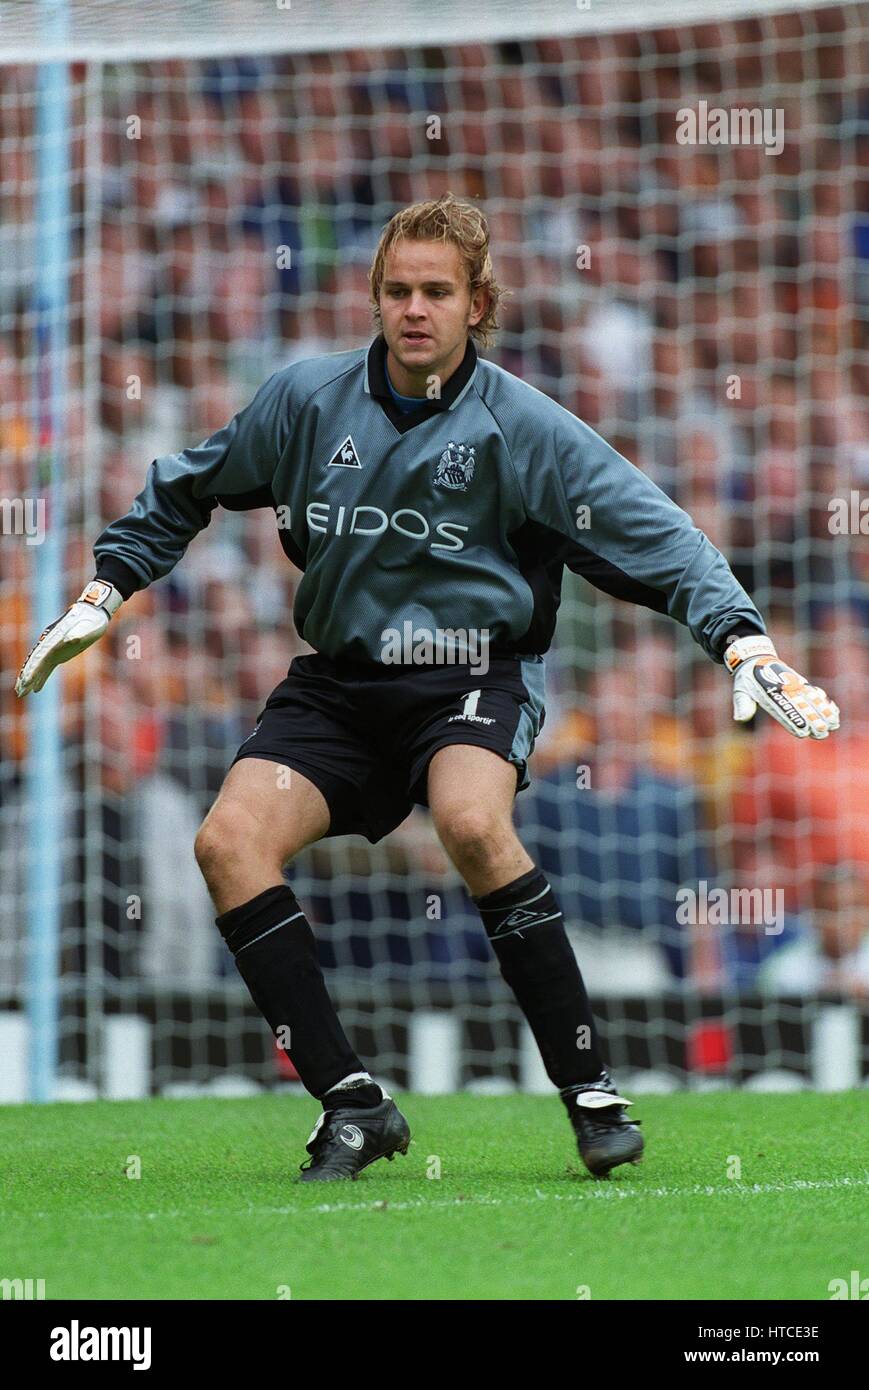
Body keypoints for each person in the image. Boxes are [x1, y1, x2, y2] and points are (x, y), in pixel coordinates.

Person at [16, 194, 840, 1181]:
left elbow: (656, 533)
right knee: (226, 841)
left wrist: (740, 640)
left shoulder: (521, 425)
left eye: (436, 292)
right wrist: (106, 590)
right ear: (373, 297)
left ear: (475, 303)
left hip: (470, 672)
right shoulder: (303, 403)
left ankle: (588, 1088)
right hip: (339, 683)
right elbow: (184, 488)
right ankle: (352, 1104)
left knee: (471, 821)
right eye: (397, 289)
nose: (415, 308)